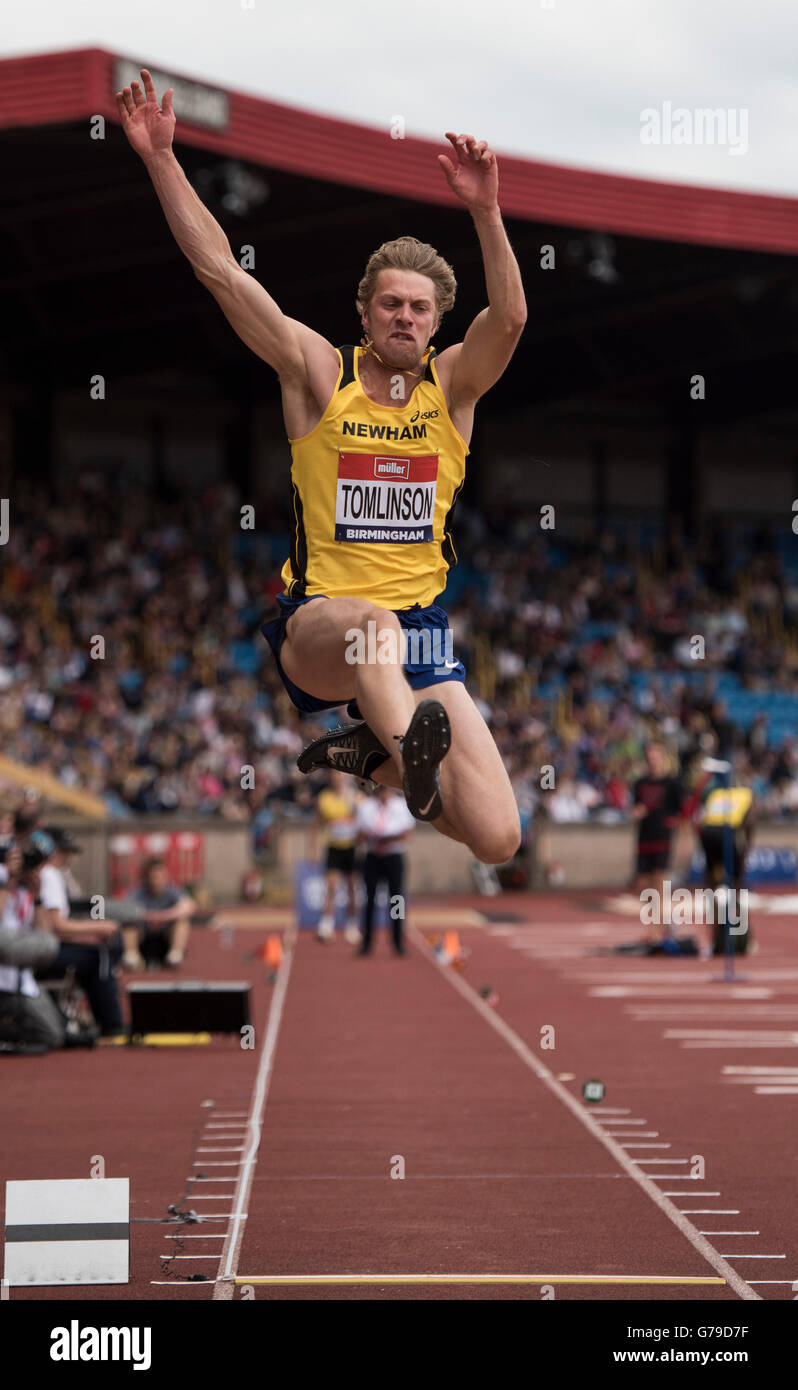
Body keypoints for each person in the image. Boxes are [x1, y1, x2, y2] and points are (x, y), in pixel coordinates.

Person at [118, 71, 525, 865]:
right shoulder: (317, 373)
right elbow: (224, 277)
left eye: (419, 310)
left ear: (437, 324)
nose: (403, 318)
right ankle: (402, 751)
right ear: (365, 312)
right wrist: (163, 161)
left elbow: (509, 319)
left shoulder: (453, 389)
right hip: (321, 626)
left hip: (419, 640)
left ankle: (370, 756)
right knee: (372, 627)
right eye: (390, 305)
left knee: (500, 839)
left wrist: (486, 210)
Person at [38, 828, 125, 1038]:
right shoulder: (48, 875)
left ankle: (98, 1014)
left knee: (98, 950)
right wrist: (97, 927)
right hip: (42, 948)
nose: (67, 857)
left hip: (39, 943)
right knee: (100, 955)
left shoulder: (49, 874)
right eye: (62, 851)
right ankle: (111, 1023)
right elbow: (57, 926)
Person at [0, 842, 65, 1054]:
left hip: (22, 979)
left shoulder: (33, 888)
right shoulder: (4, 879)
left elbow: (45, 935)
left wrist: (37, 896)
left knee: (52, 1036)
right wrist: (8, 882)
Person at [354, 785, 416, 957]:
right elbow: (359, 833)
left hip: (394, 857)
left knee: (397, 900)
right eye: (380, 790)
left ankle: (398, 942)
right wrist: (376, 838)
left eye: (386, 790)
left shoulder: (401, 805)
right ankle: (366, 944)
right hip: (373, 856)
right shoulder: (366, 806)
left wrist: (386, 839)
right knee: (369, 900)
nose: (384, 794)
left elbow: (407, 833)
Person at [630, 742, 683, 941]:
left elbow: (680, 813)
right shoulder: (640, 783)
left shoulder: (672, 784)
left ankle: (657, 929)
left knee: (659, 885)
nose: (652, 760)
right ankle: (658, 923)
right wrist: (636, 813)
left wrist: (682, 836)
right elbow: (635, 807)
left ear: (663, 758)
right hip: (644, 838)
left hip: (662, 838)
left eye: (656, 756)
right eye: (649, 757)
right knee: (642, 885)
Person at [120, 857, 195, 970]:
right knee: (128, 924)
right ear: (146, 878)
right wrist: (149, 917)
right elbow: (124, 909)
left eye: (160, 877)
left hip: (165, 938)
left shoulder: (173, 891)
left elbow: (189, 906)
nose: (157, 881)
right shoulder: (137, 892)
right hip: (143, 938)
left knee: (182, 922)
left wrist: (161, 917)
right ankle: (132, 956)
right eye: (153, 877)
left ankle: (174, 956)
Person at [314, 771, 361, 945]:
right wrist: (313, 849)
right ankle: (326, 925)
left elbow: (363, 821)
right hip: (333, 847)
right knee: (331, 887)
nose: (337, 779)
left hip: (352, 848)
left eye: (340, 776)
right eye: (334, 776)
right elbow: (316, 824)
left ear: (345, 778)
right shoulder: (324, 798)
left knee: (352, 888)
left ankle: (352, 925)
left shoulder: (355, 797)